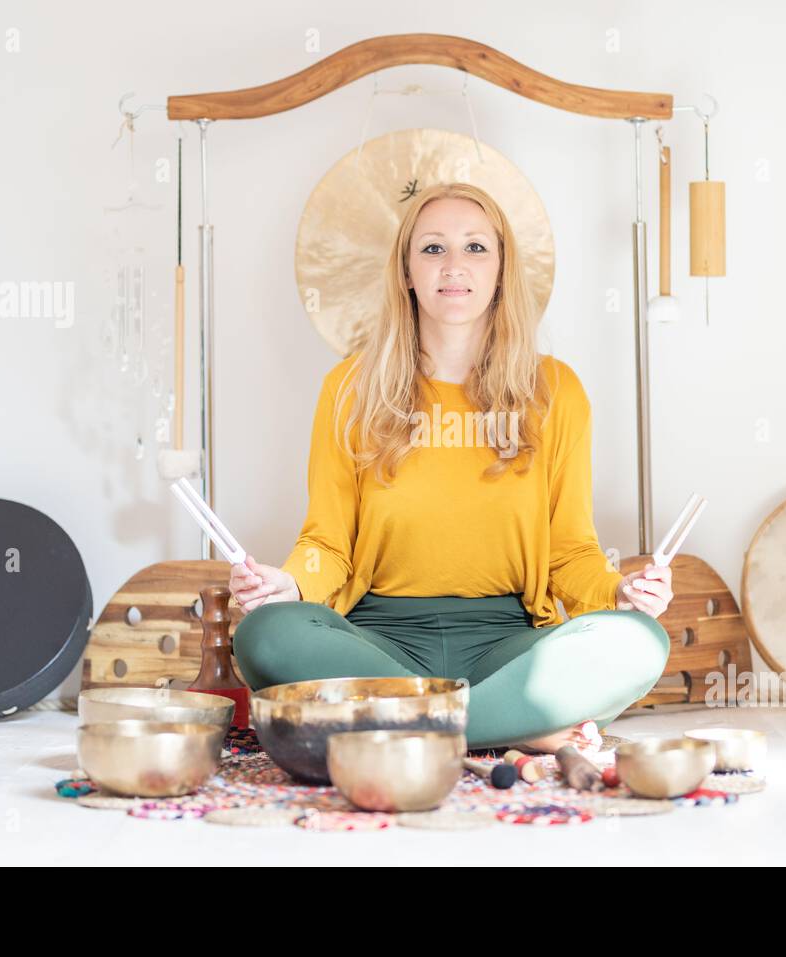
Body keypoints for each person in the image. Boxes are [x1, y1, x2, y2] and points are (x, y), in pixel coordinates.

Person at [228, 181, 673, 753]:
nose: (454, 266)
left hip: (509, 644)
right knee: (267, 633)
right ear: (407, 272)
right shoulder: (349, 388)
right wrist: (289, 582)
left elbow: (571, 553)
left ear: (502, 271)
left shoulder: (557, 391)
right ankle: (515, 725)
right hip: (378, 642)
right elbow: (328, 542)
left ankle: (399, 723)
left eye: (476, 248)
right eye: (433, 248)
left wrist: (620, 592)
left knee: (638, 641)